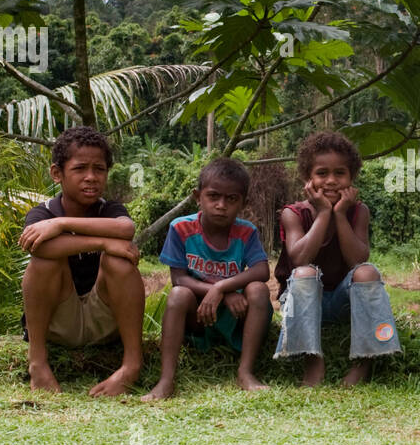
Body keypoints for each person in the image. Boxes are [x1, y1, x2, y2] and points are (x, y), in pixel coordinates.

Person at [20, 126, 144, 396]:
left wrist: (62, 224)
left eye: (99, 169)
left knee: (120, 262)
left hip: (104, 319)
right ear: (57, 173)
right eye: (80, 169)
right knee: (44, 262)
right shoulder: (42, 214)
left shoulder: (108, 209)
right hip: (59, 321)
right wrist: (102, 241)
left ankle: (132, 364)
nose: (91, 177)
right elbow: (40, 249)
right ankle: (38, 363)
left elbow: (125, 230)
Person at [272, 132, 400, 386]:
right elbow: (299, 259)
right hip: (304, 305)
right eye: (322, 173)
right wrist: (322, 214)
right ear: (307, 178)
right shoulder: (293, 214)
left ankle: (364, 360)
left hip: (343, 302)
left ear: (351, 178)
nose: (331, 181)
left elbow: (357, 260)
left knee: (368, 272)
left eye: (340, 173)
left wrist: (339, 215)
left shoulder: (358, 211)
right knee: (304, 273)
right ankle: (311, 358)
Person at [144, 158, 272, 399]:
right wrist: (219, 293)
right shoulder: (180, 228)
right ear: (197, 196)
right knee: (178, 294)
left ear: (244, 203)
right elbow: (179, 279)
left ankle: (245, 372)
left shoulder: (246, 232)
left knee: (258, 290)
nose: (221, 205)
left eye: (231, 199)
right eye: (213, 196)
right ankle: (166, 380)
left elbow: (262, 271)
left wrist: (223, 288)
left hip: (236, 314)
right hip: (198, 313)